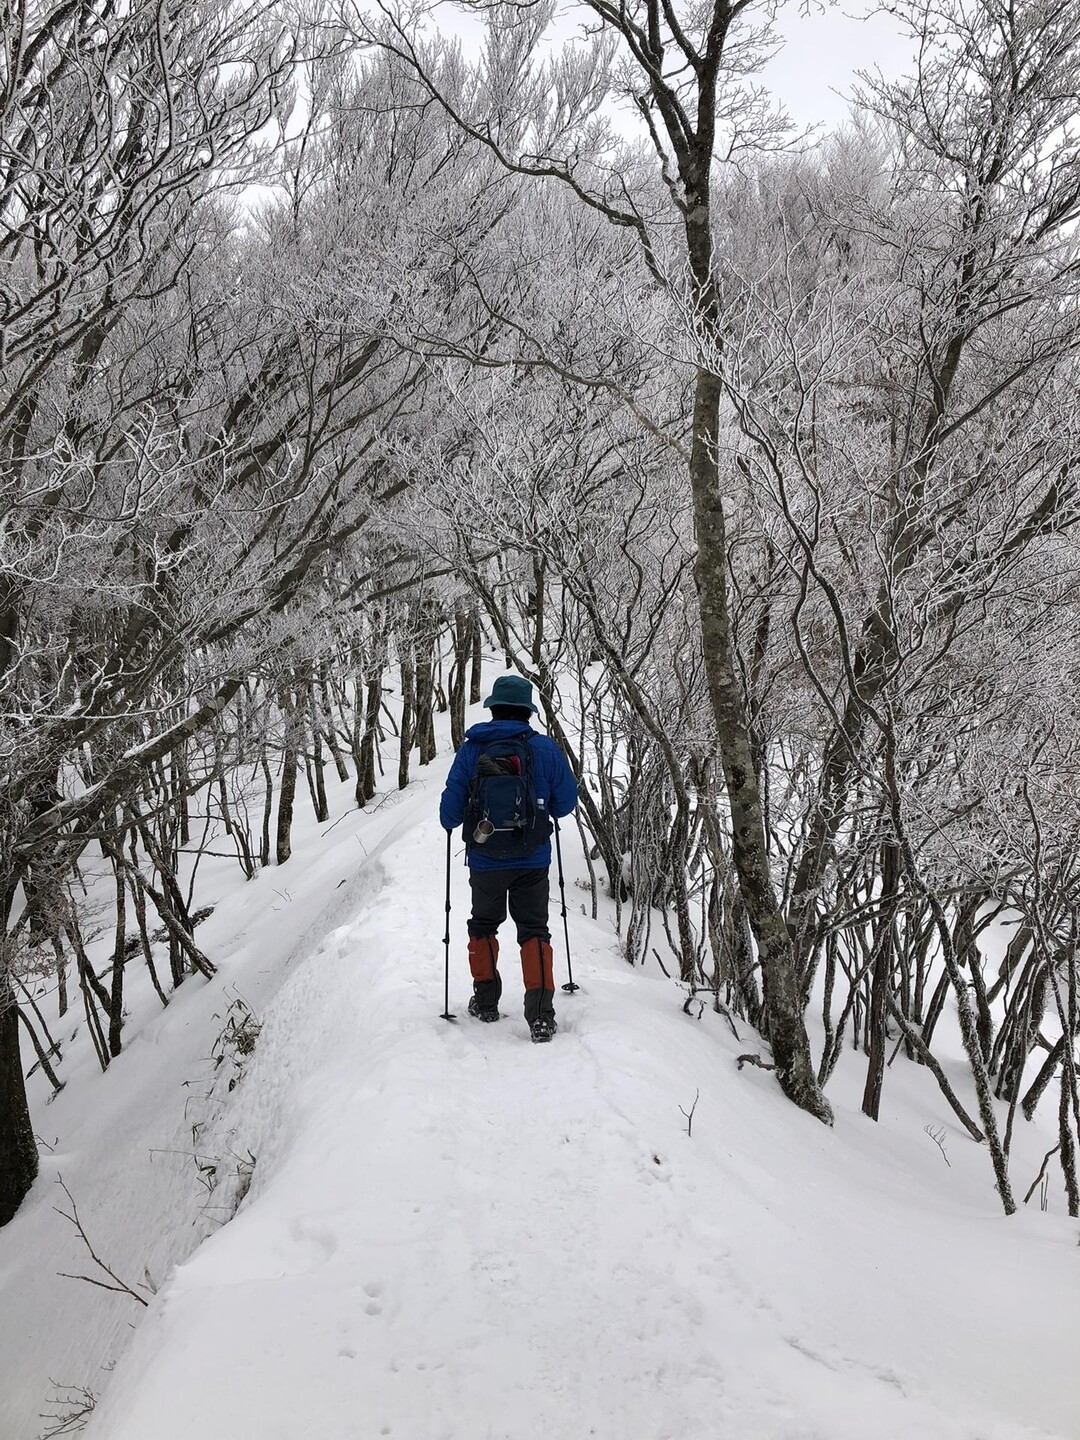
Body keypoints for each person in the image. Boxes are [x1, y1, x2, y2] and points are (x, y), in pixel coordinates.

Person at [439, 674, 578, 1042]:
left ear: (494, 709)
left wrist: (454, 820)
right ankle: (541, 1016)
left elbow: (449, 810)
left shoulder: (472, 749)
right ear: (527, 711)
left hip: (485, 858)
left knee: (483, 924)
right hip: (532, 857)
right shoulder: (544, 748)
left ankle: (486, 1003)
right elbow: (565, 803)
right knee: (534, 930)